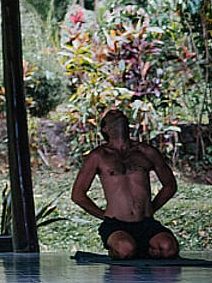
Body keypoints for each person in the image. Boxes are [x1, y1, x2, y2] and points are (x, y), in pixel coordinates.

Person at [71, 108, 180, 259]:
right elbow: (77, 195)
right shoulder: (98, 156)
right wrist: (103, 216)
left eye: (120, 113)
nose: (116, 111)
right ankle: (121, 249)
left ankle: (142, 249)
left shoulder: (146, 152)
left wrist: (152, 208)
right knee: (125, 249)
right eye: (111, 114)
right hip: (116, 224)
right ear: (105, 128)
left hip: (146, 222)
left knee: (169, 248)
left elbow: (170, 185)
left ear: (127, 124)